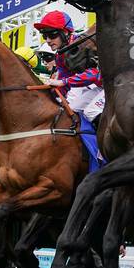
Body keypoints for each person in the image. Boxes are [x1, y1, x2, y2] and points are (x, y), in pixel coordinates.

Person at [33, 11, 106, 170]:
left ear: (65, 32)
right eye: (44, 35)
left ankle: (109, 150)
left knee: (91, 111)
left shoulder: (83, 44)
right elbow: (64, 85)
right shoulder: (60, 55)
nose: (48, 40)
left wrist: (63, 81)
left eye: (51, 35)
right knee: (67, 112)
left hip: (107, 84)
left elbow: (94, 74)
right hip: (90, 88)